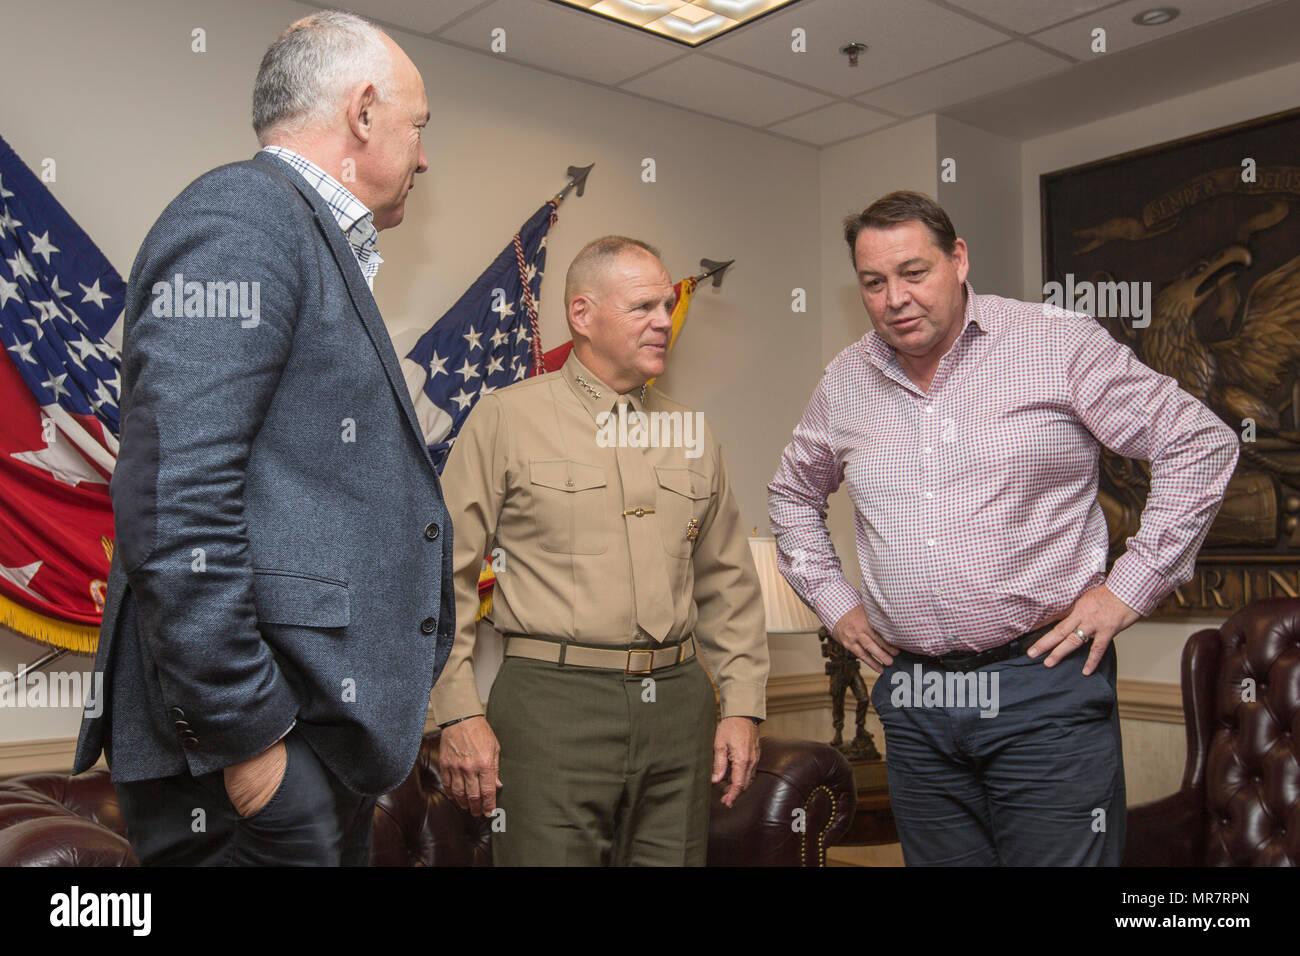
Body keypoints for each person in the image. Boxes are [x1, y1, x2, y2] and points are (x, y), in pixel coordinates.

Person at [72, 11, 454, 866]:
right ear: (363, 113)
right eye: (417, 126)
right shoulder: (243, 218)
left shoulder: (297, 234)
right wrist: (252, 752)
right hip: (244, 763)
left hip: (302, 742)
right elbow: (174, 501)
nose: (424, 155)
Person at [768, 190, 1238, 866]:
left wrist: (1129, 589)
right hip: (914, 694)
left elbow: (1197, 442)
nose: (895, 297)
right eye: (874, 282)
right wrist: (837, 607)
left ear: (958, 259)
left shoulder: (1054, 343)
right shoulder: (845, 381)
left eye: (914, 272)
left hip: (1041, 686)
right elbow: (790, 496)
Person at [432, 236, 769, 865]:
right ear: (581, 315)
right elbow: (439, 575)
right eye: (643, 307)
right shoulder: (506, 418)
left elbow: (727, 582)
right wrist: (456, 712)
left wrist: (743, 705)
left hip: (680, 705)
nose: (664, 323)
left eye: (667, 307)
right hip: (552, 704)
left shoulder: (692, 432)